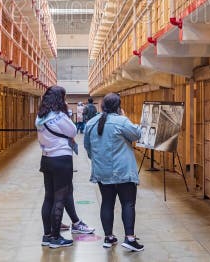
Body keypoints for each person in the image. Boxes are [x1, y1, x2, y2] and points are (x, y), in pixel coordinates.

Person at [84, 93, 144, 252]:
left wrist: (98, 160)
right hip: (124, 171)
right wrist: (125, 117)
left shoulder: (91, 122)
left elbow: (88, 148)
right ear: (118, 106)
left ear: (102, 106)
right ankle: (130, 239)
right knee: (128, 203)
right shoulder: (121, 121)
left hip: (103, 172)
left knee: (107, 203)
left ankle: (108, 237)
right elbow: (137, 134)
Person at [36, 86, 94, 249]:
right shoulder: (59, 116)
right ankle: (56, 237)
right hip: (61, 159)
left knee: (49, 197)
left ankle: (47, 235)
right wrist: (66, 112)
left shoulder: (40, 116)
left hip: (46, 159)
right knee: (60, 198)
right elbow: (73, 130)